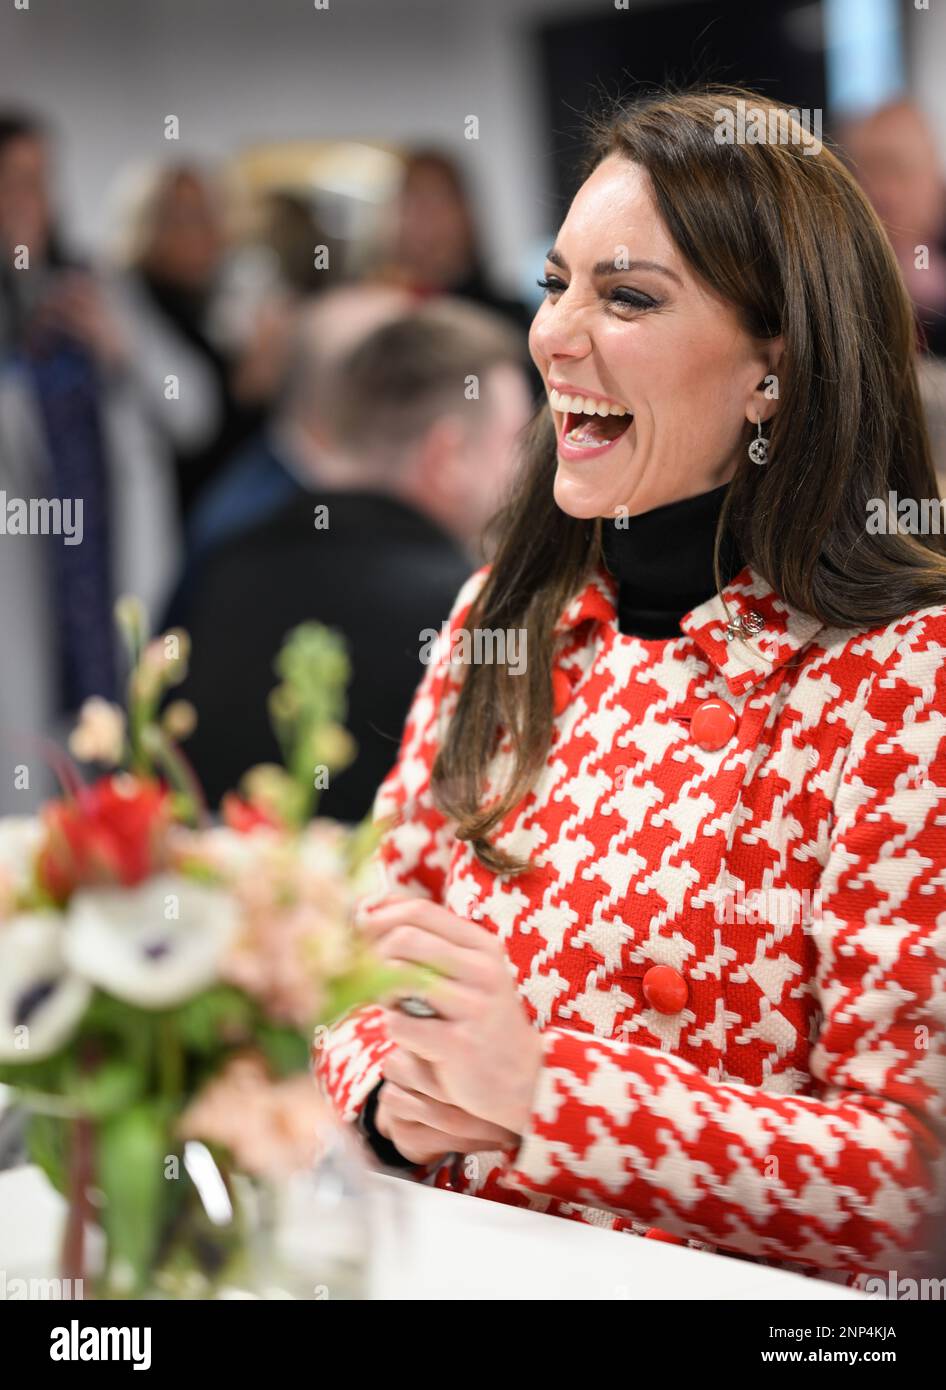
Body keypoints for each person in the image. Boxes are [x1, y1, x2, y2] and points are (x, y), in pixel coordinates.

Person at [317, 88, 946, 1287]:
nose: (554, 334)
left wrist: (541, 1092)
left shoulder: (904, 676)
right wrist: (397, 1098)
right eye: (555, 284)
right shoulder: (500, 616)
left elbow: (914, 1185)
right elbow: (340, 970)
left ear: (775, 368)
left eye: (628, 297)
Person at [175, 296, 530, 819]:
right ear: (447, 456)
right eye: (517, 444)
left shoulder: (223, 564)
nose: (529, 475)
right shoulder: (472, 614)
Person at [0, 111, 177, 813]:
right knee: (25, 776)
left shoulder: (98, 285)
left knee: (120, 751)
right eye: (11, 182)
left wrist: (120, 344)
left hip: (107, 567)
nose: (27, 201)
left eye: (38, 181)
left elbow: (190, 407)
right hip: (22, 576)